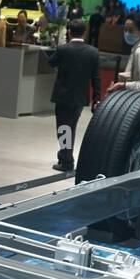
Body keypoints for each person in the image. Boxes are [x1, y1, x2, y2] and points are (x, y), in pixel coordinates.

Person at [47, 21, 101, 174]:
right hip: (80, 96)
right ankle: (65, 155)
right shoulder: (93, 52)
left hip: (63, 95)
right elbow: (96, 78)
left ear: (69, 31)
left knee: (63, 128)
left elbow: (51, 63)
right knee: (71, 127)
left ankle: (66, 160)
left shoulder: (63, 49)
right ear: (84, 32)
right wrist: (96, 97)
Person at [109, 13, 140, 96]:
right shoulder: (139, 48)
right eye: (125, 29)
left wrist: (123, 85)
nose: (127, 33)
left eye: (131, 30)